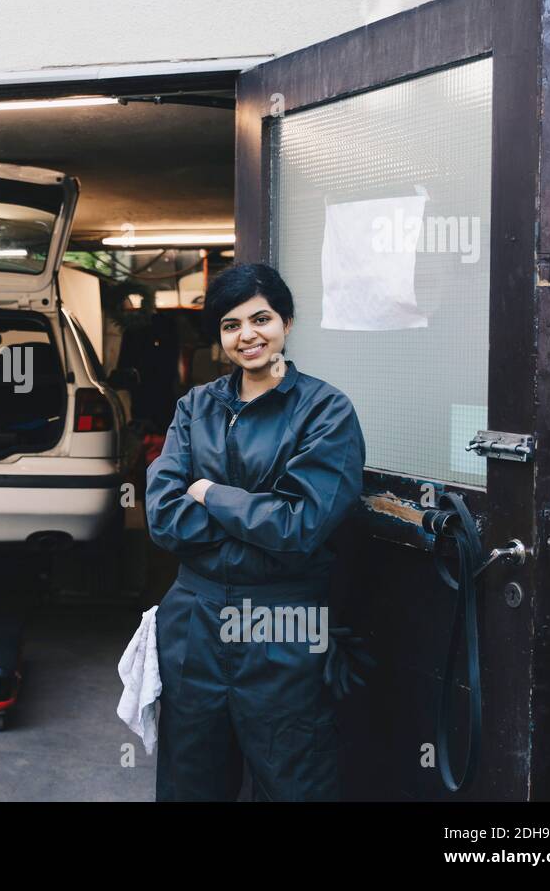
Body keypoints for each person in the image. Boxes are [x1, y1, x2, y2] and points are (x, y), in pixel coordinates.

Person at [145, 263, 366, 801]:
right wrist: (254, 517)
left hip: (281, 624)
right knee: (190, 781)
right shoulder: (195, 407)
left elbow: (300, 525)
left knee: (292, 777)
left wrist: (211, 493)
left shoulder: (325, 411)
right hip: (193, 622)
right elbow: (162, 514)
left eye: (260, 318)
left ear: (286, 322)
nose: (247, 336)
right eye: (230, 324)